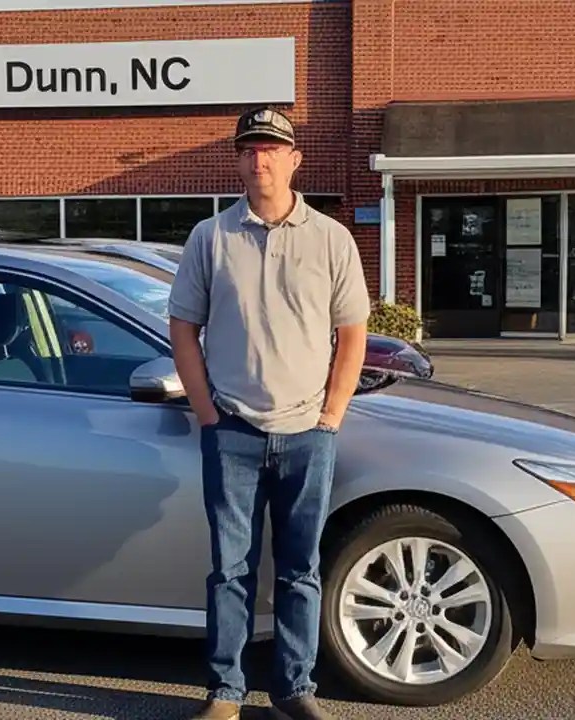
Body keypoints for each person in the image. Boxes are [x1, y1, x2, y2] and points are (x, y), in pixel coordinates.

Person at [167, 107, 370, 720]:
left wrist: (332, 414)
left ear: (293, 160)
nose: (260, 160)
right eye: (249, 150)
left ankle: (293, 689)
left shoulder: (331, 238)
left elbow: (352, 332)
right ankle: (225, 692)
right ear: (238, 161)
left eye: (272, 149)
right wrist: (207, 413)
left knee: (300, 569)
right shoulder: (211, 238)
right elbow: (183, 328)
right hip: (232, 429)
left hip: (309, 433)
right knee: (230, 571)